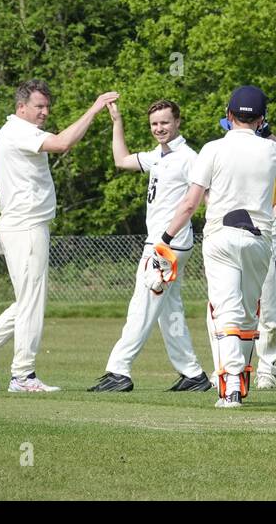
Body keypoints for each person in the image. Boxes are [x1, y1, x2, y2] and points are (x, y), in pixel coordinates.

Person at [0, 80, 120, 392]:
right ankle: (22, 376)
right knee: (32, 301)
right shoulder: (18, 130)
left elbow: (60, 141)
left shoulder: (18, 130)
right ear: (21, 107)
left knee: (29, 301)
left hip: (25, 225)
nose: (45, 112)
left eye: (47, 106)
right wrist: (96, 107)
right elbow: (62, 144)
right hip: (26, 226)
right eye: (38, 107)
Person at [159, 86, 276, 408]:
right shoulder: (270, 151)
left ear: (228, 115)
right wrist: (268, 133)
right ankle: (239, 378)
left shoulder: (211, 149)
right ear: (262, 119)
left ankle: (231, 385)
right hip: (259, 240)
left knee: (224, 311)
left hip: (220, 237)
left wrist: (165, 239)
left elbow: (190, 203)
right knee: (248, 315)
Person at [88, 99, 213, 393]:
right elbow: (121, 160)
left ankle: (119, 370)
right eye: (155, 124)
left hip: (168, 245)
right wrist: (117, 122)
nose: (159, 128)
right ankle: (193, 374)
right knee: (169, 311)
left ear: (178, 122)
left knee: (141, 305)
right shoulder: (159, 155)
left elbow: (204, 197)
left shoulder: (189, 157)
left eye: (165, 123)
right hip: (161, 242)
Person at [203, 115, 276, 390]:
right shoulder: (225, 150)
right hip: (227, 230)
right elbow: (202, 187)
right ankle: (227, 368)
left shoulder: (271, 151)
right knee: (223, 305)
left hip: (263, 231)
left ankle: (267, 367)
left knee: (266, 307)